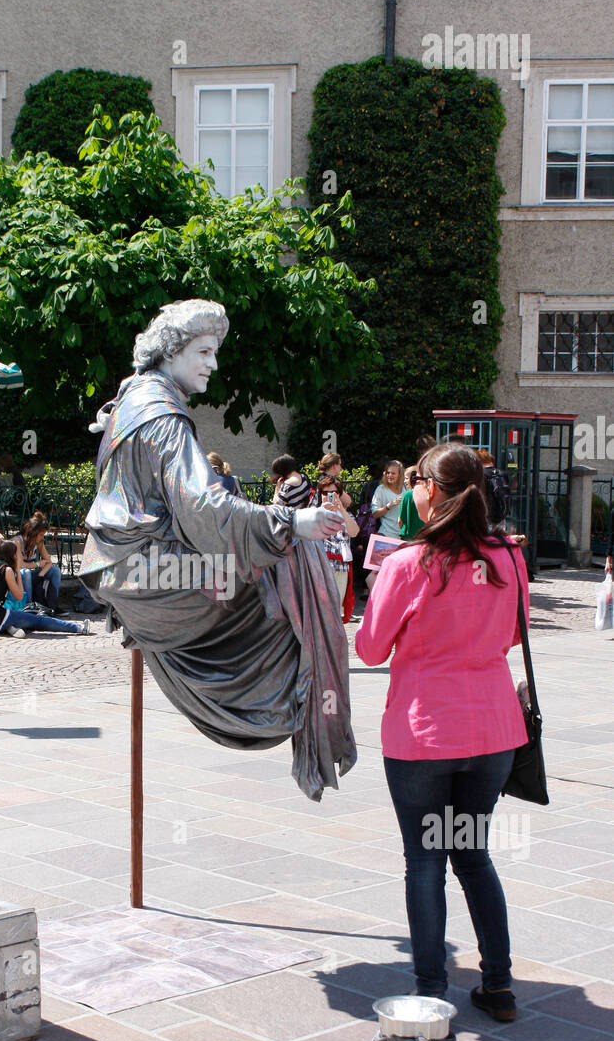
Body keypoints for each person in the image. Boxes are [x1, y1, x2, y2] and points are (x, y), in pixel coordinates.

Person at [80, 298, 354, 801]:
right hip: (150, 573)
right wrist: (293, 519)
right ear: (171, 352)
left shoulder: (136, 401)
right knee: (293, 567)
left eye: (215, 351)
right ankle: (298, 696)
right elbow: (205, 511)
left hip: (126, 569)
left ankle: (294, 694)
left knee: (280, 566)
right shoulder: (161, 415)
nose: (213, 363)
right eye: (204, 351)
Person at [355, 442, 528, 1021]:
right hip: (493, 730)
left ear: (430, 490)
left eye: (415, 481)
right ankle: (498, 984)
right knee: (473, 855)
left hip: (424, 731)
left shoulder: (408, 563)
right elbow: (508, 638)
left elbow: (371, 649)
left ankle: (431, 991)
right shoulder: (509, 557)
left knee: (425, 860)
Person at [0, 541, 90, 637]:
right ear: (10, 555)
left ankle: (10, 626)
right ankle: (78, 628)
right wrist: (17, 570)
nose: (18, 556)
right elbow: (19, 596)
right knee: (37, 620)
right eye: (16, 553)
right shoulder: (6, 570)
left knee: (20, 618)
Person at [316, 461, 359, 608]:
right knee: (318, 609)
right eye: (325, 493)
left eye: (333, 493)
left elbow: (354, 532)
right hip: (319, 567)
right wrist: (321, 510)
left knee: (334, 610)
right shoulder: (313, 513)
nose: (329, 497)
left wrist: (341, 510)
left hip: (340, 567)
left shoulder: (345, 515)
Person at [366, 460, 404, 591]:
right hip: (385, 537)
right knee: (374, 574)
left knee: (396, 574)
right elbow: (375, 513)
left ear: (400, 474)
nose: (390, 476)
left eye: (393, 473)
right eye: (388, 473)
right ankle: (375, 602)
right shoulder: (381, 489)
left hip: (402, 538)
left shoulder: (405, 489)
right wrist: (389, 505)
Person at [18, 512, 61, 610]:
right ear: (33, 532)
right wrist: (37, 564)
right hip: (19, 575)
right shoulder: (18, 541)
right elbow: (20, 565)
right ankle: (29, 606)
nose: (42, 537)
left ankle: (52, 605)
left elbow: (48, 562)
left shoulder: (39, 543)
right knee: (26, 572)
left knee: (55, 570)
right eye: (41, 534)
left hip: (32, 574)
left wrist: (41, 575)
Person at [399, 465, 424, 540]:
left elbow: (400, 521)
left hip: (408, 537)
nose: (405, 481)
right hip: (423, 537)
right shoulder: (428, 494)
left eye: (406, 478)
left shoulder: (408, 495)